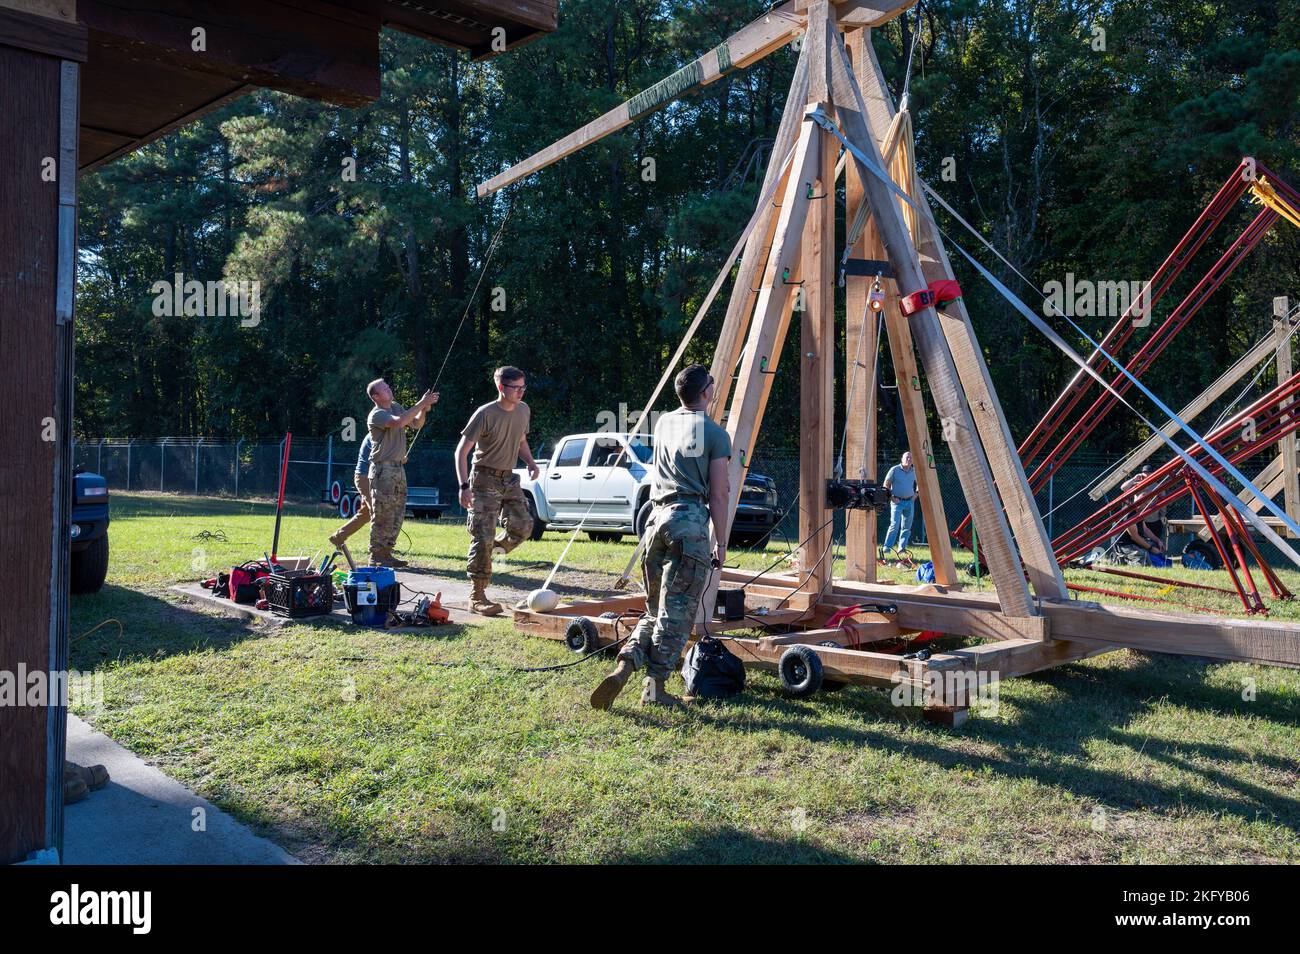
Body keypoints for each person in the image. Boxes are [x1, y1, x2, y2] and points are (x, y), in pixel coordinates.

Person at [591, 365, 731, 710]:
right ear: (707, 393)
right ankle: (655, 687)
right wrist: (721, 542)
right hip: (689, 522)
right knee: (677, 613)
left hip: (654, 522)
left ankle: (626, 663)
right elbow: (721, 492)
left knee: (655, 609)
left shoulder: (665, 422)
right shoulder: (714, 433)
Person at [455, 366, 540, 616]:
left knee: (524, 526)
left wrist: (531, 462)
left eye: (524, 387)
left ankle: (490, 553)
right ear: (502, 388)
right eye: (516, 388)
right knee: (482, 535)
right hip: (483, 479)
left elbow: (521, 440)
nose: (521, 392)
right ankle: (477, 596)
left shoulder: (523, 410)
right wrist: (463, 487)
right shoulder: (485, 414)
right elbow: (461, 451)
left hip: (509, 478)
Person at [366, 378, 437, 567]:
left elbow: (415, 423)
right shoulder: (377, 414)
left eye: (388, 386)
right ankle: (376, 555)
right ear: (376, 396)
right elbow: (398, 423)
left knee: (397, 512)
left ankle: (386, 553)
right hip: (383, 469)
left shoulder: (396, 406)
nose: (389, 389)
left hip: (398, 468)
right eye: (384, 388)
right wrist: (422, 402)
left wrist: (423, 409)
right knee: (383, 513)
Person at [328, 434, 373, 550]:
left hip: (367, 477)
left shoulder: (380, 432)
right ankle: (379, 548)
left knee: (366, 513)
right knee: (378, 512)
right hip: (365, 477)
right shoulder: (377, 434)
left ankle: (338, 536)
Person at [882, 451, 918, 553]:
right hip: (896, 502)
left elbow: (920, 483)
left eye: (911, 458)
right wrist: (892, 497)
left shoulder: (914, 471)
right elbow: (886, 485)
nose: (909, 459)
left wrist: (916, 495)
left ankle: (901, 549)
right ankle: (886, 548)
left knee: (907, 527)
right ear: (902, 459)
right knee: (894, 525)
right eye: (907, 457)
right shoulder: (894, 470)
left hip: (909, 502)